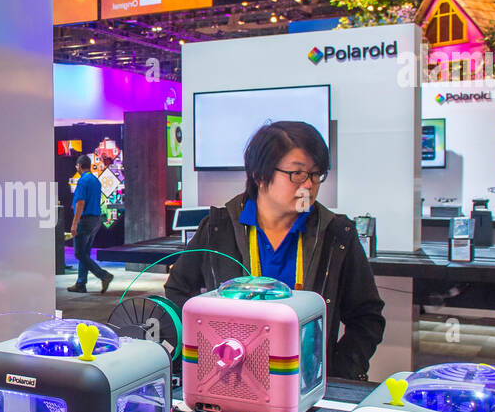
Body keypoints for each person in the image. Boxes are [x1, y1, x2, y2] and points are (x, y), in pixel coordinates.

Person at [165, 121, 385, 380]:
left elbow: (366, 317)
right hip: (230, 380)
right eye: (297, 174)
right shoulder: (218, 229)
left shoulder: (336, 235)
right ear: (259, 175)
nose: (309, 186)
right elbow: (178, 292)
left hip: (305, 384)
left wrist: (338, 372)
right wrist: (204, 354)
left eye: (316, 175)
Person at [68, 154, 113, 294]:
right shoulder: (95, 180)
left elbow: (81, 203)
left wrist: (74, 224)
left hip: (85, 220)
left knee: (79, 253)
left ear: (79, 166)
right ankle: (81, 283)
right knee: (85, 252)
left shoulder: (83, 181)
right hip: (96, 220)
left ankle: (103, 275)